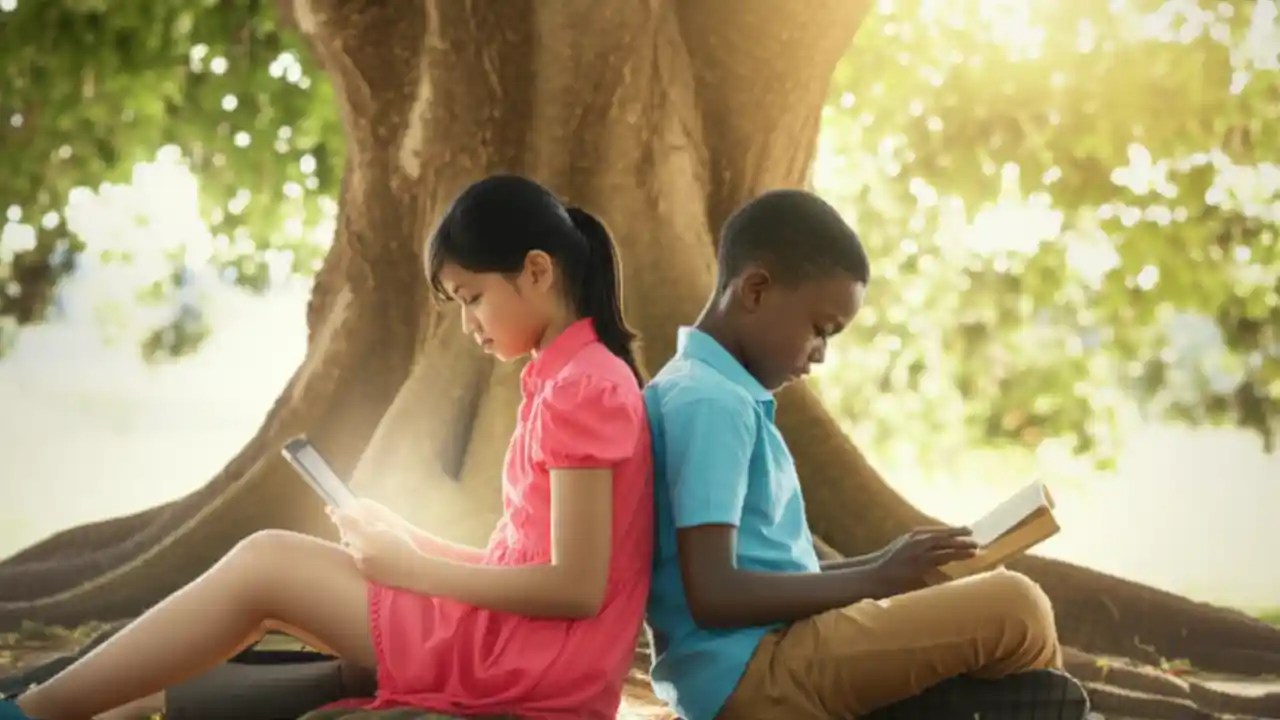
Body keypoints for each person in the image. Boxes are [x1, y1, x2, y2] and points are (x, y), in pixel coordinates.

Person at [4, 175, 654, 720]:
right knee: (273, 584)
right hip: (522, 649)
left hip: (525, 665)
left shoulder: (584, 388)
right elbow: (530, 561)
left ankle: (31, 713)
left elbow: (576, 587)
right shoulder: (570, 377)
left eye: (473, 298)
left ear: (536, 271)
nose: (468, 325)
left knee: (267, 563)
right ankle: (60, 703)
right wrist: (412, 542)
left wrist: (415, 570)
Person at [643, 189, 1076, 720]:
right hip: (753, 675)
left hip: (776, 655)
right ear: (756, 289)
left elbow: (771, 571)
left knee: (1010, 613)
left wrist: (888, 562)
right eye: (820, 329)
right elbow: (713, 593)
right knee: (1016, 606)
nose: (820, 353)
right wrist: (875, 579)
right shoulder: (710, 403)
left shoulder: (712, 392)